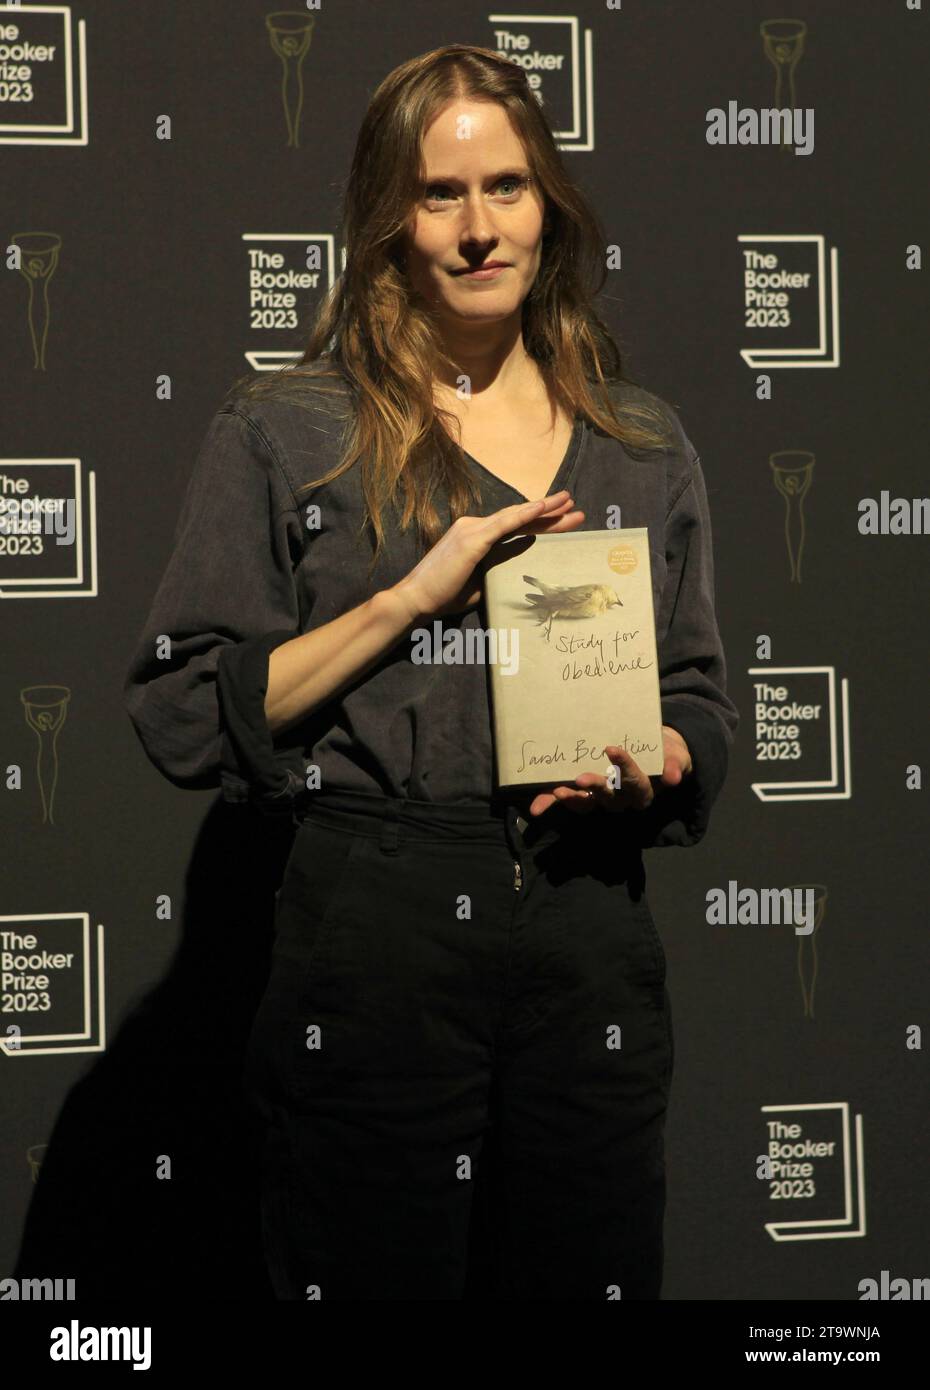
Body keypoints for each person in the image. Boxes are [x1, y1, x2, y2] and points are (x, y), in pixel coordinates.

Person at [124, 43, 739, 1300]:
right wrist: (410, 596)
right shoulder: (289, 431)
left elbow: (700, 696)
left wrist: (665, 761)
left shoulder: (640, 443)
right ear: (386, 219)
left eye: (506, 188)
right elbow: (188, 710)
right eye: (440, 194)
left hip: (585, 927)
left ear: (549, 206)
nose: (477, 229)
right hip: (376, 929)